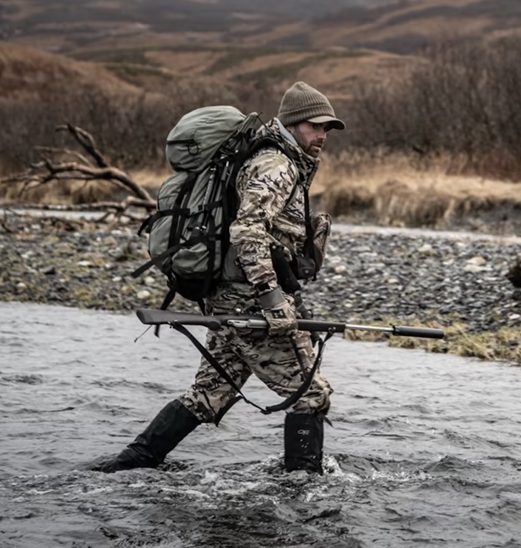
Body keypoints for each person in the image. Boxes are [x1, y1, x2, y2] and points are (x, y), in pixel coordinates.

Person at [89, 81, 343, 475]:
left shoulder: (276, 159)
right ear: (293, 124)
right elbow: (248, 231)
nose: (323, 135)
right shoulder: (276, 165)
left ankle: (131, 464)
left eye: (327, 128)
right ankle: (303, 488)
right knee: (310, 394)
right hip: (249, 301)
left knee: (208, 395)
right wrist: (272, 300)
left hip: (230, 298)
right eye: (315, 126)